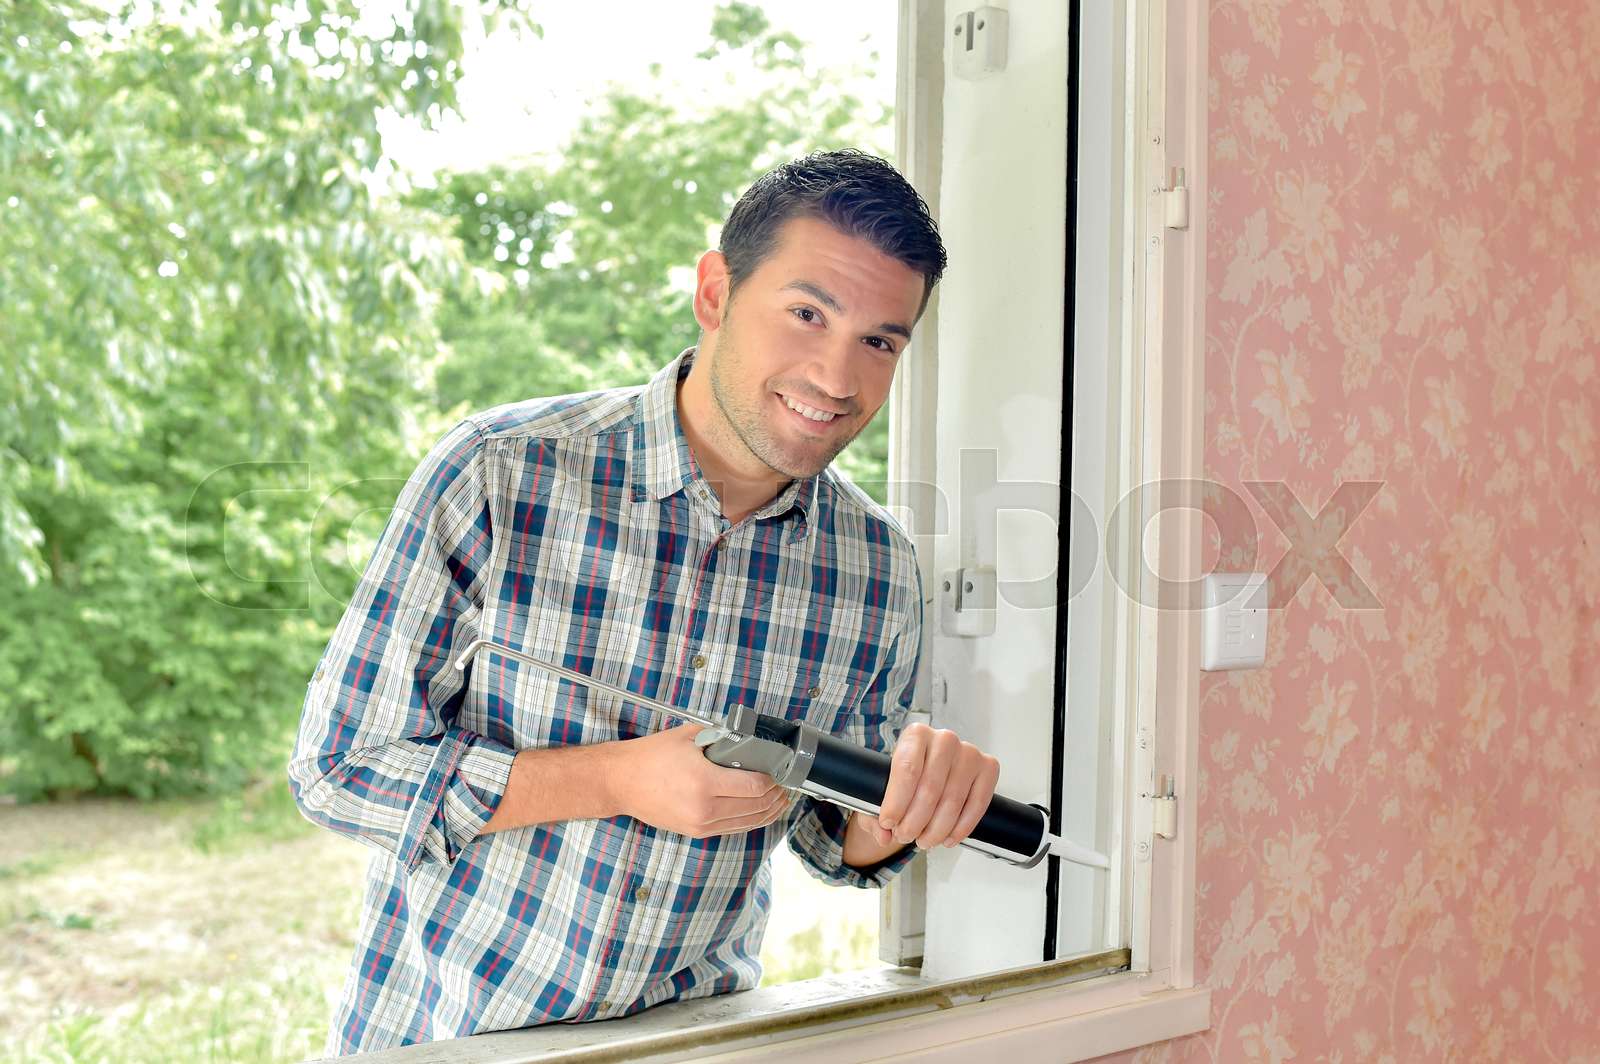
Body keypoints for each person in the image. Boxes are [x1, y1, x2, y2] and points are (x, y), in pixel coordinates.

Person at [288, 148, 1005, 1055]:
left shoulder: (878, 567)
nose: (836, 378)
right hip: (443, 1036)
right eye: (807, 314)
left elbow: (834, 843)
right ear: (715, 293)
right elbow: (341, 769)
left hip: (692, 1043)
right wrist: (616, 778)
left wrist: (903, 807)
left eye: (879, 342)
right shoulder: (499, 471)